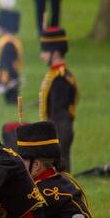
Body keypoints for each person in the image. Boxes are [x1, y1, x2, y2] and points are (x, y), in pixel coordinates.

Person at [38, 26, 78, 171]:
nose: (41, 56)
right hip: (59, 128)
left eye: (44, 51)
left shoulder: (60, 79)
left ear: (54, 53)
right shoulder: (57, 75)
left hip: (59, 130)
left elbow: (58, 112)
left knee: (61, 175)